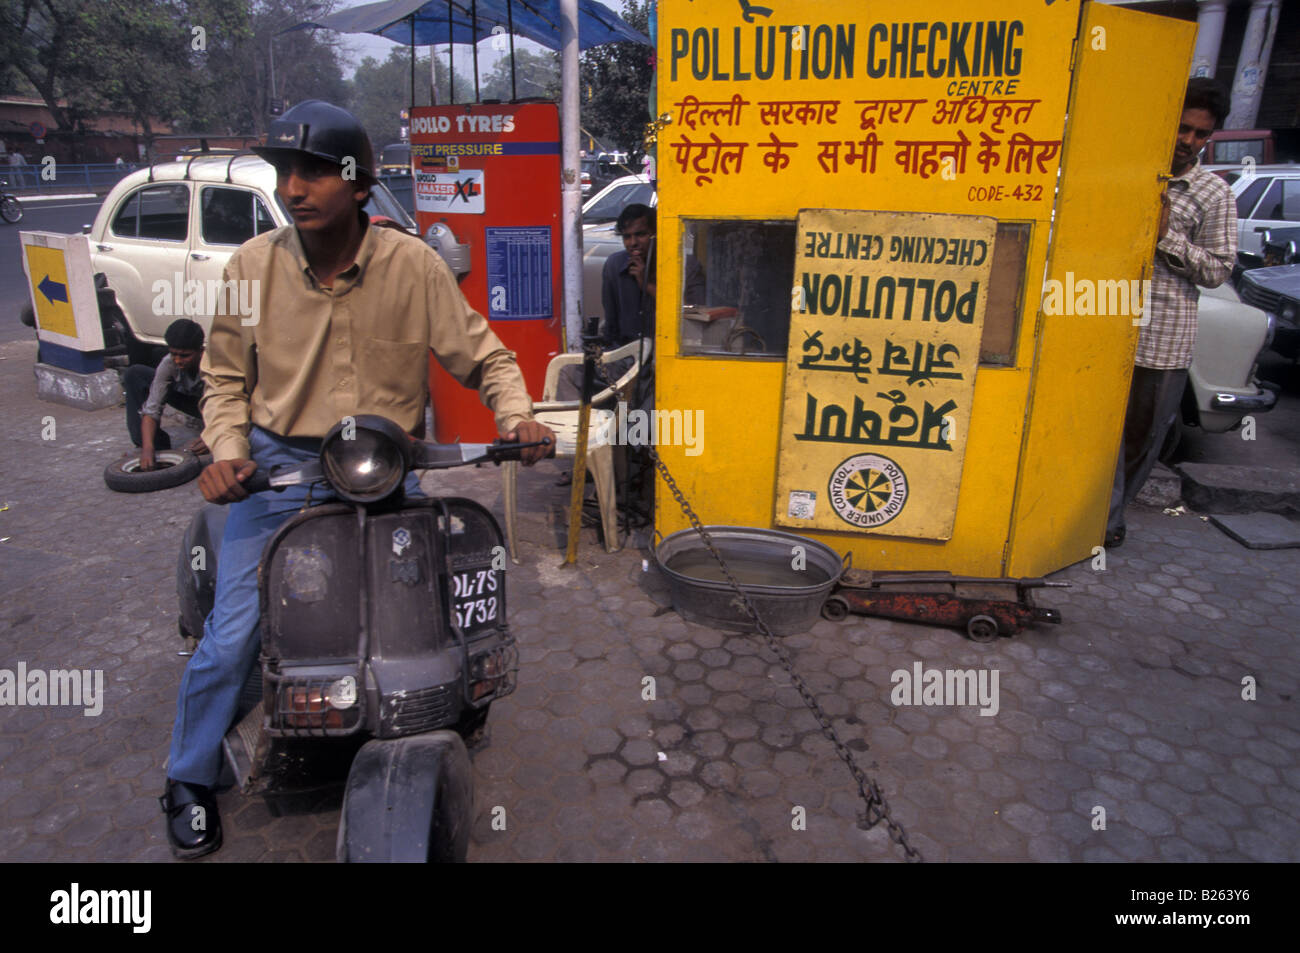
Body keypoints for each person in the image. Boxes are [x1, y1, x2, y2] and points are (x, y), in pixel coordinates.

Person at [160, 100, 554, 859]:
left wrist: (517, 417)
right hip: (279, 470)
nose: (294, 187)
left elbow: (486, 356)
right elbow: (221, 378)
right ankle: (187, 773)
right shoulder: (252, 266)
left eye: (312, 171)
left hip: (386, 465)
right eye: (285, 172)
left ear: (360, 183)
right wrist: (227, 449)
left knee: (428, 602)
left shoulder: (414, 266)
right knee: (233, 633)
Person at [1106, 78, 1237, 547]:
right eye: (1183, 128)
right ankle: (1085, 522)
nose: (1189, 141)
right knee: (1096, 437)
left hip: (1163, 338)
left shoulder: (1212, 193)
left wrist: (1166, 238)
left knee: (1142, 440)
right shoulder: (1125, 170)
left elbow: (1218, 269)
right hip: (1102, 324)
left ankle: (1108, 523)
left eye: (1201, 134)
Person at [123, 318, 208, 469]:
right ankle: (157, 443)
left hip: (213, 407)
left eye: (185, 355)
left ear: (200, 351)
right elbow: (152, 409)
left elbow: (229, 405)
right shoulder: (169, 362)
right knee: (135, 374)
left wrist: (213, 435)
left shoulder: (214, 364)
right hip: (190, 401)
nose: (178, 360)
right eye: (173, 354)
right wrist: (148, 448)